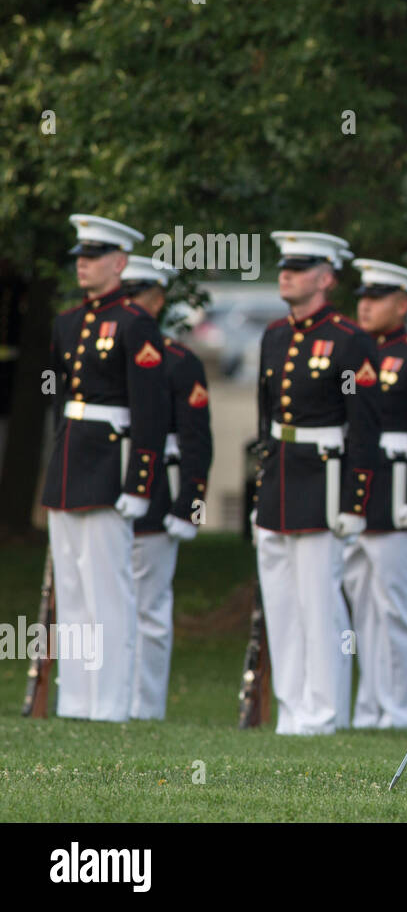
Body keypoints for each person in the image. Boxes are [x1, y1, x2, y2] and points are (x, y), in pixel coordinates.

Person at [252, 231, 381, 735]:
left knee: (320, 602)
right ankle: (291, 710)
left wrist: (354, 500)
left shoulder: (349, 339)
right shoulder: (273, 335)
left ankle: (323, 712)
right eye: (285, 265)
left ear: (326, 277)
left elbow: (364, 427)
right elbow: (265, 418)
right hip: (280, 473)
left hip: (325, 476)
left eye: (300, 266)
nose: (287, 273)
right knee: (281, 603)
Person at [42, 214, 169, 722]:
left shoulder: (137, 325)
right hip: (71, 460)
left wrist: (140, 481)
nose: (82, 266)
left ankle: (112, 703)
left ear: (118, 263)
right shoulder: (66, 322)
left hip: (109, 465)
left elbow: (151, 412)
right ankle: (76, 699)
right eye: (79, 257)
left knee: (108, 593)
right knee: (71, 591)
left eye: (92, 258)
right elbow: (56, 395)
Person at [341, 258, 407, 728]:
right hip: (359, 496)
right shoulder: (354, 354)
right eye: (362, 297)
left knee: (396, 609)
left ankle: (401, 710)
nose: (364, 306)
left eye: (376, 298)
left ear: (402, 304)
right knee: (361, 607)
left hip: (399, 493)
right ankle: (369, 707)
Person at [118, 255, 214, 720]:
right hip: (105, 488)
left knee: (149, 607)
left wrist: (190, 510)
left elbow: (198, 445)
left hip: (159, 495)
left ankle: (145, 706)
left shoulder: (179, 361)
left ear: (156, 302)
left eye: (137, 298)